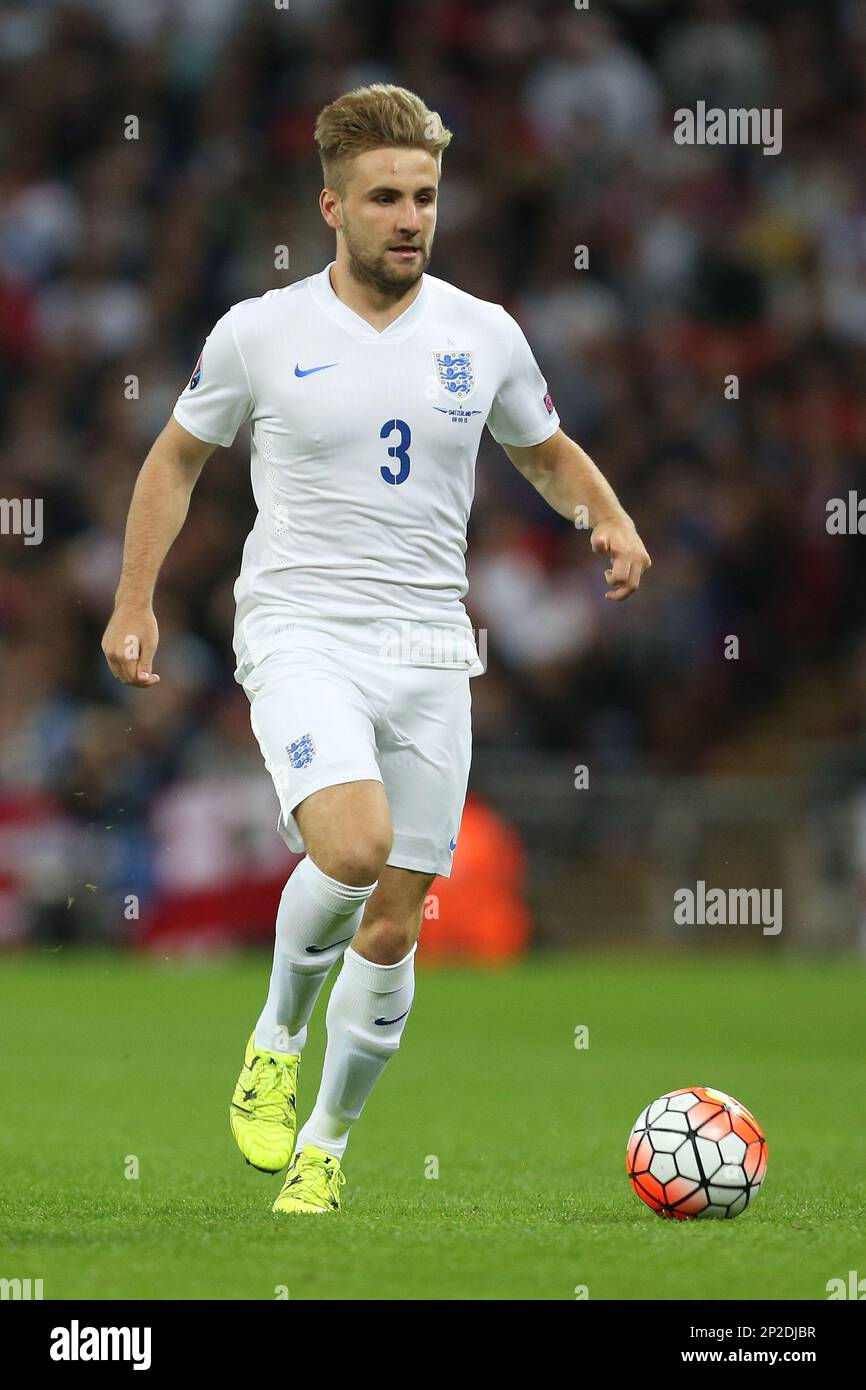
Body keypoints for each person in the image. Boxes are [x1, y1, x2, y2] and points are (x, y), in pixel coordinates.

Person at [101, 83, 651, 1215]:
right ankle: (273, 1033)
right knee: (351, 849)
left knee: (397, 918)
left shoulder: (481, 332)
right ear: (332, 207)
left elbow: (542, 449)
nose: (409, 217)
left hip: (430, 647)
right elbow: (171, 461)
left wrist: (605, 513)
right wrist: (135, 600)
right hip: (301, 627)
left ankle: (327, 1145)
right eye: (385, 197)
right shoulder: (260, 330)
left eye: (425, 198)